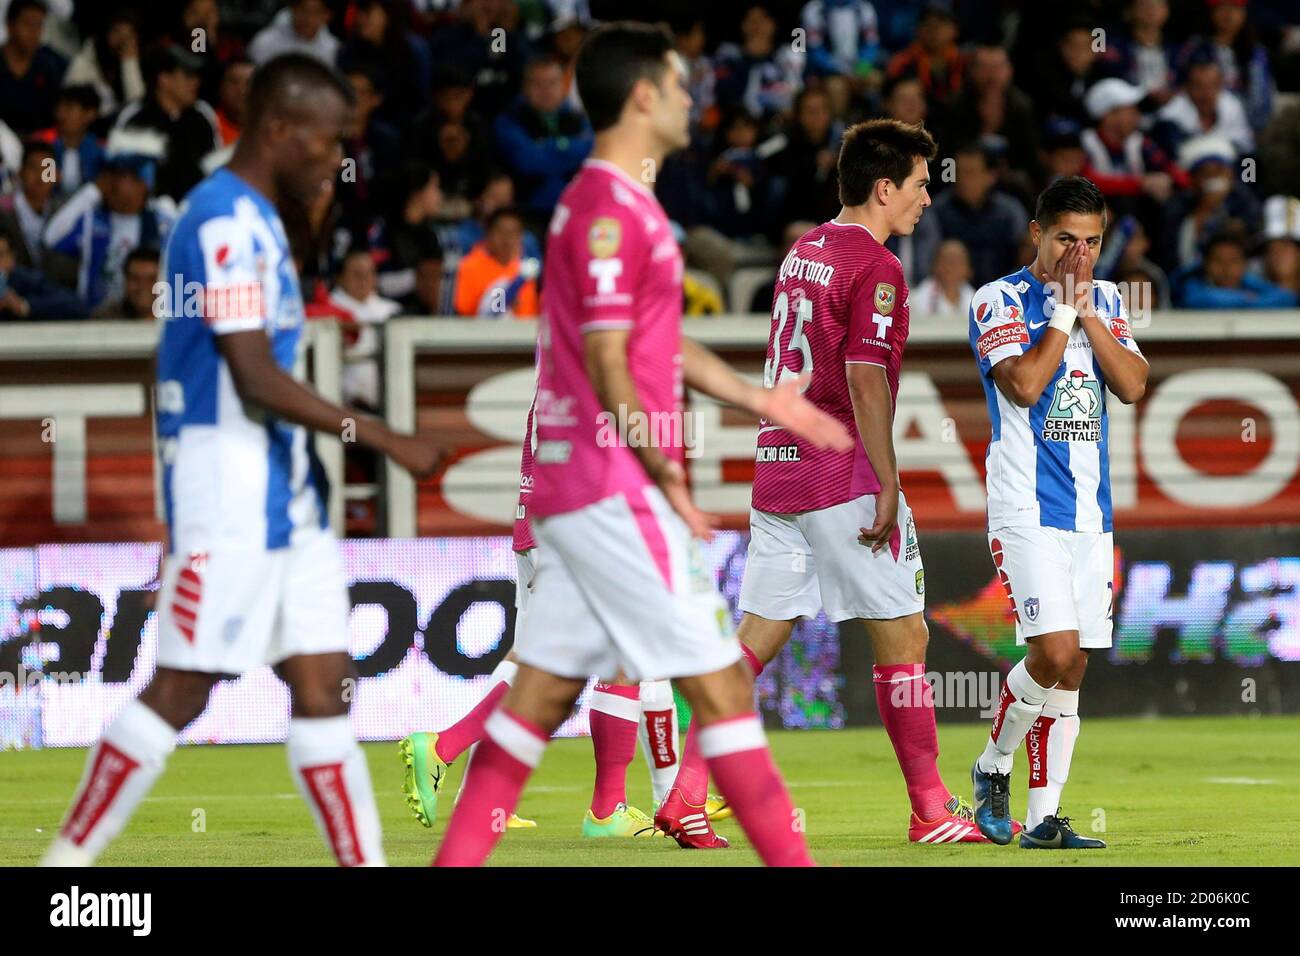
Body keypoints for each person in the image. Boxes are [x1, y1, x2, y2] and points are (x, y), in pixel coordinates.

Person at [431, 22, 851, 868]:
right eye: (682, 83)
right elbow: (609, 356)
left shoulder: (618, 203)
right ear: (644, 95)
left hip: (581, 490)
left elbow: (651, 339)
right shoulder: (609, 211)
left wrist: (754, 394)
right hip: (610, 489)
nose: (696, 99)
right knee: (722, 687)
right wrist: (665, 474)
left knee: (539, 699)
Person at [40, 52, 443, 869]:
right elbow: (252, 374)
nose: (336, 158)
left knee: (325, 688)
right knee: (185, 688)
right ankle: (64, 870)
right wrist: (382, 436)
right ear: (279, 128)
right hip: (225, 481)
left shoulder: (256, 217)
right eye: (328, 141)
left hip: (282, 489)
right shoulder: (221, 220)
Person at [691, 117, 990, 847]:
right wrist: (887, 480)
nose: (927, 200)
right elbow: (863, 377)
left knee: (758, 636)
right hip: (840, 471)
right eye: (920, 186)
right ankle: (929, 808)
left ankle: (685, 794)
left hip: (776, 471)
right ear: (885, 187)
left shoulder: (803, 251)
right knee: (905, 634)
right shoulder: (877, 268)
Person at [967, 175, 1149, 849]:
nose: (1079, 254)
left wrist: (1089, 311)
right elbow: (1023, 385)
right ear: (1036, 234)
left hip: (1090, 517)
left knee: (1074, 667)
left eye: (1092, 241)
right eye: (1066, 239)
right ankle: (991, 764)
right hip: (1024, 508)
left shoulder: (1106, 298)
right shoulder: (998, 299)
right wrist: (1065, 313)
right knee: (1054, 649)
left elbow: (1131, 384)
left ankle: (1043, 819)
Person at [42, 128, 177, 312]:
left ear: (142, 183)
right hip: (98, 320)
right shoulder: (92, 220)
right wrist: (93, 191)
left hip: (150, 318)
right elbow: (51, 238)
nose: (111, 182)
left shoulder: (164, 222)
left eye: (121, 176)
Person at [114, 44, 220, 202]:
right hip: (147, 213)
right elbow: (121, 177)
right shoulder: (136, 117)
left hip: (193, 211)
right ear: (164, 79)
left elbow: (215, 171)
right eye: (188, 76)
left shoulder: (202, 116)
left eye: (196, 77)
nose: (196, 83)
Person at [452, 206, 539, 318]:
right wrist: (499, 304)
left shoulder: (525, 271)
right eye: (502, 232)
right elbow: (463, 314)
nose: (507, 239)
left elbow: (529, 316)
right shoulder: (467, 266)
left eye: (513, 233)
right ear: (488, 234)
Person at [1178, 230, 1298, 308]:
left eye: (1234, 261)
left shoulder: (1249, 282)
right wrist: (1248, 299)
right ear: (1206, 265)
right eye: (1218, 261)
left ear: (1244, 265)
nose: (1226, 269)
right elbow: (1198, 300)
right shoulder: (1191, 284)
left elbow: (1287, 298)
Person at [0, 0, 67, 135]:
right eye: (27, 24)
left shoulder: (51, 64)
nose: (34, 32)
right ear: (9, 25)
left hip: (40, 146)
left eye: (39, 25)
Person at [0, 232, 85, 319]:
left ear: (12, 258)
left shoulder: (24, 280)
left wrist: (23, 305)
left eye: (0, 255)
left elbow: (74, 304)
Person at [248, 0, 339, 67]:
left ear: (327, 16)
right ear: (292, 9)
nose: (307, 17)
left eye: (315, 12)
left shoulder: (333, 49)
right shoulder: (264, 42)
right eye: (303, 10)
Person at [90, 244, 159, 319]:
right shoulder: (104, 320)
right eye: (135, 279)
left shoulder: (173, 320)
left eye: (151, 279)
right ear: (125, 281)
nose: (143, 285)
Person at [913, 238, 974, 317]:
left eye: (958, 262)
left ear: (967, 269)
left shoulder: (975, 299)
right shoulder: (918, 299)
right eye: (947, 261)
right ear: (935, 266)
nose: (952, 268)